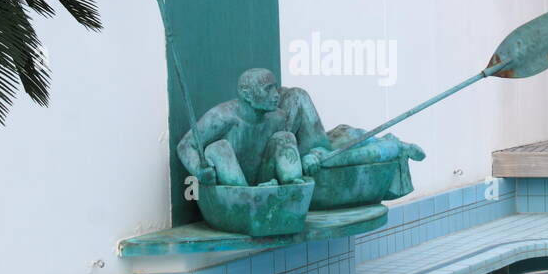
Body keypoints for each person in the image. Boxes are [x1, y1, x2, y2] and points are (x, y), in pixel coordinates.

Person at [176, 68, 424, 191]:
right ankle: (388, 145)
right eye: (268, 90)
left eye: (276, 89)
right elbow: (185, 145)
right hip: (238, 188)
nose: (275, 95)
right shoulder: (222, 117)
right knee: (219, 148)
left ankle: (386, 145)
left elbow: (281, 148)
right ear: (246, 94)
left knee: (326, 143)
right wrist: (199, 170)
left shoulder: (276, 118)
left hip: (267, 180)